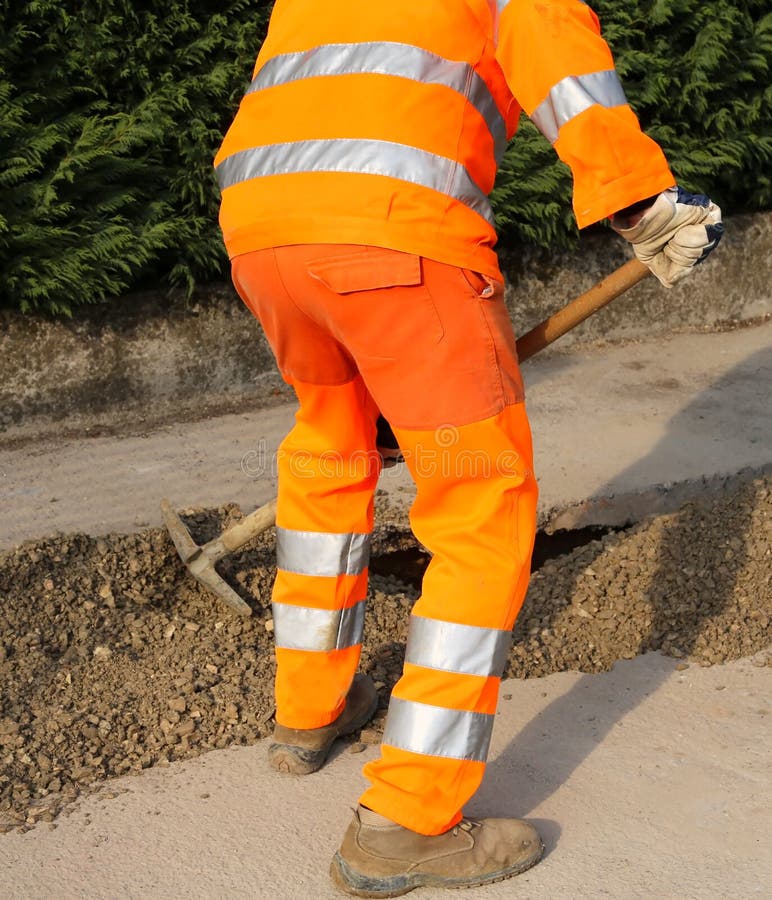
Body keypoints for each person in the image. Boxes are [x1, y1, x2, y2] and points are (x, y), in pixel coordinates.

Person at [214, 1, 723, 895]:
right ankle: (407, 822)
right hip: (398, 240)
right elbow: (562, 68)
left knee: (331, 456)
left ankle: (309, 713)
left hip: (265, 235)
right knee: (480, 506)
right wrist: (646, 207)